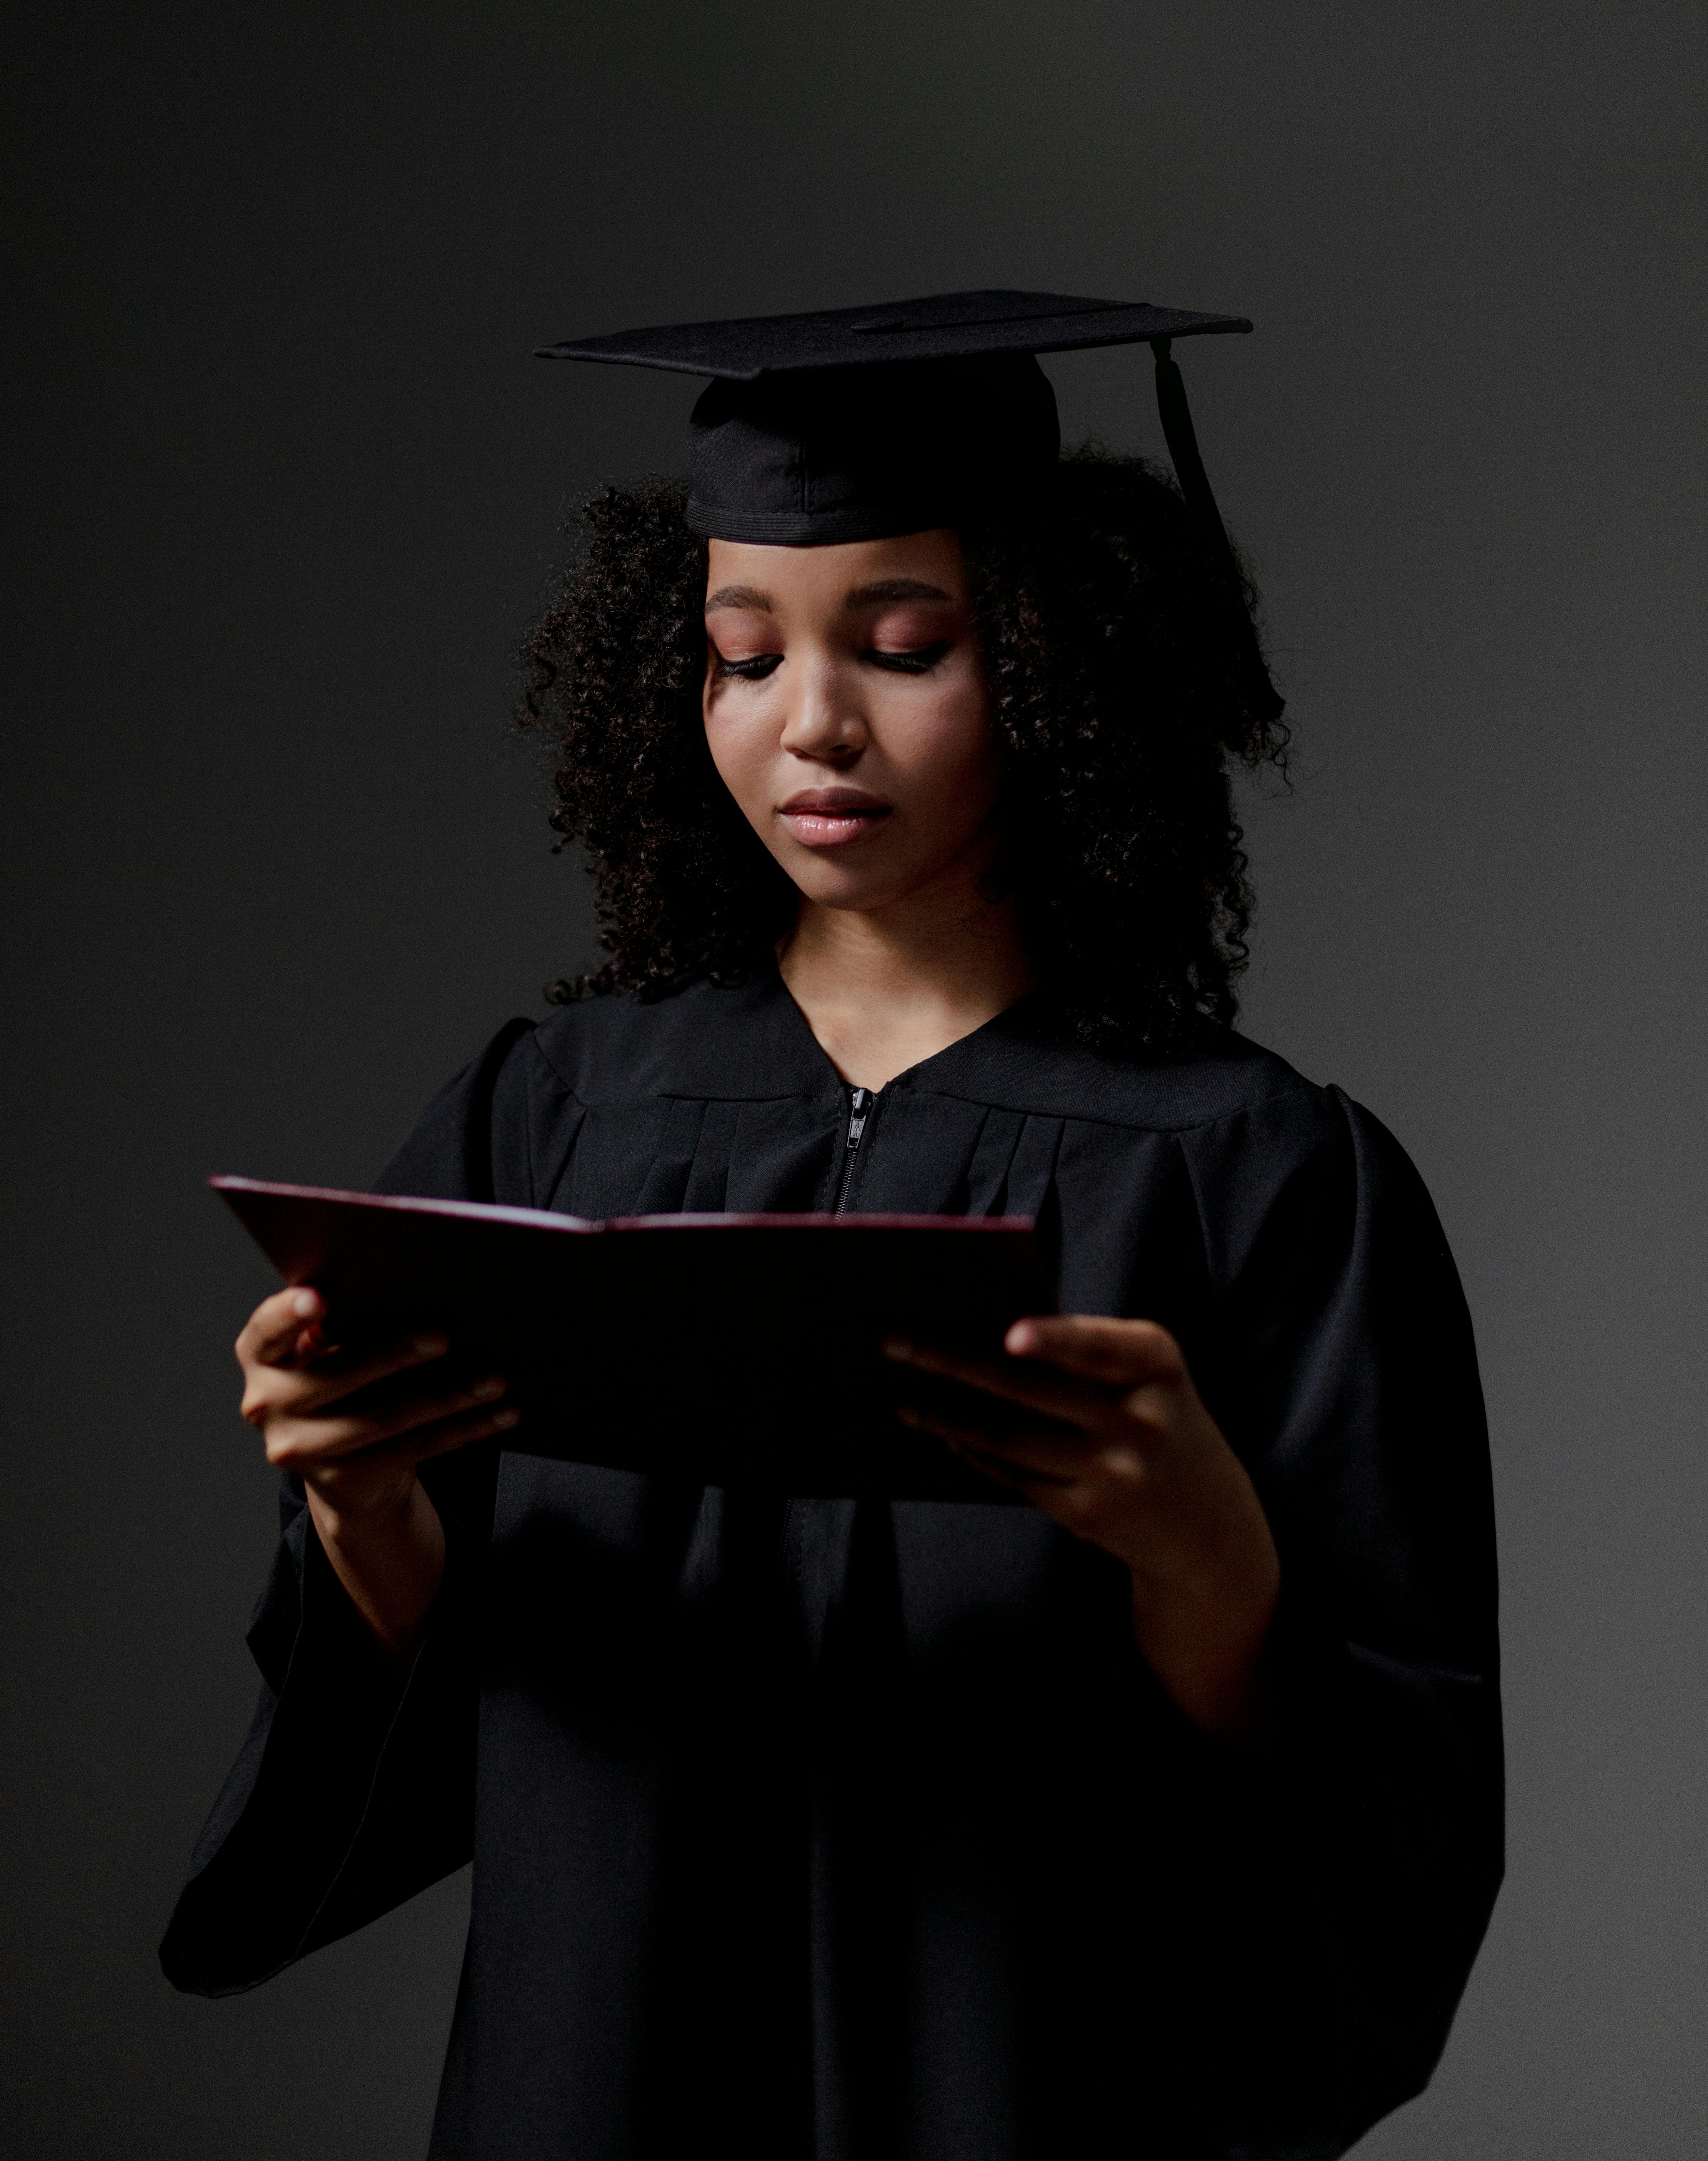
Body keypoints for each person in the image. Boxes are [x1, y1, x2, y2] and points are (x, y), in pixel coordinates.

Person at [162, 290, 1502, 2161]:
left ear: (1054, 650)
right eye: (740, 654)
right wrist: (359, 1509)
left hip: (1019, 2090)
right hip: (600, 2078)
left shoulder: (1253, 1176)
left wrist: (1210, 1566)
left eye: (902, 645)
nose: (811, 724)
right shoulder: (554, 1117)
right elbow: (436, 1720)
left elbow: (1392, 1832)